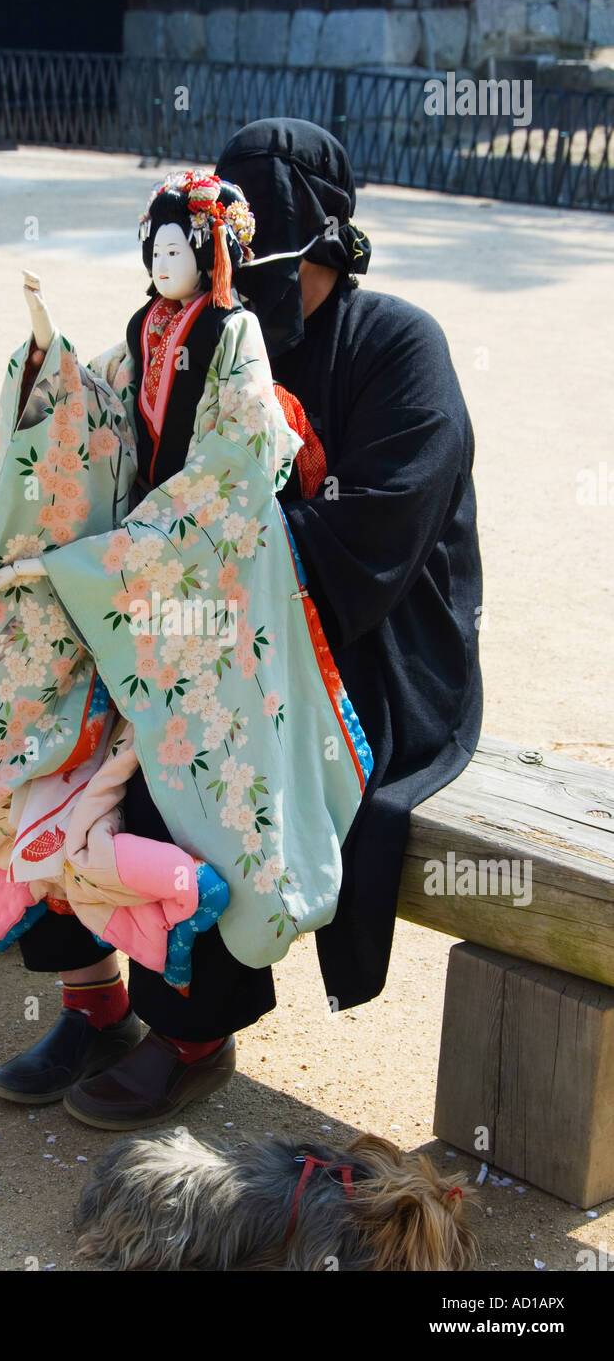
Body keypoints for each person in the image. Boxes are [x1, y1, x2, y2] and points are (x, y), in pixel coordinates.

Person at [0, 167, 373, 1129]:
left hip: (206, 607)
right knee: (44, 759)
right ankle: (92, 1005)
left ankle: (193, 1044)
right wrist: (43, 370)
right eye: (152, 244)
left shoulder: (237, 337)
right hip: (119, 590)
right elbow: (96, 420)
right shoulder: (146, 329)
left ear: (221, 253)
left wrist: (119, 558)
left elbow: (235, 474)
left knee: (196, 810)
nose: (161, 260)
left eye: (179, 245)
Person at [215, 117, 484, 1012]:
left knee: (210, 748)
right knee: (75, 706)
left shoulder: (399, 343)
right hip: (223, 612)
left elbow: (376, 535)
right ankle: (92, 992)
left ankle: (189, 1033)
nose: (254, 275)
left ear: (323, 234)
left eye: (271, 246)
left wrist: (205, 561)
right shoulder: (212, 338)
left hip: (377, 636)